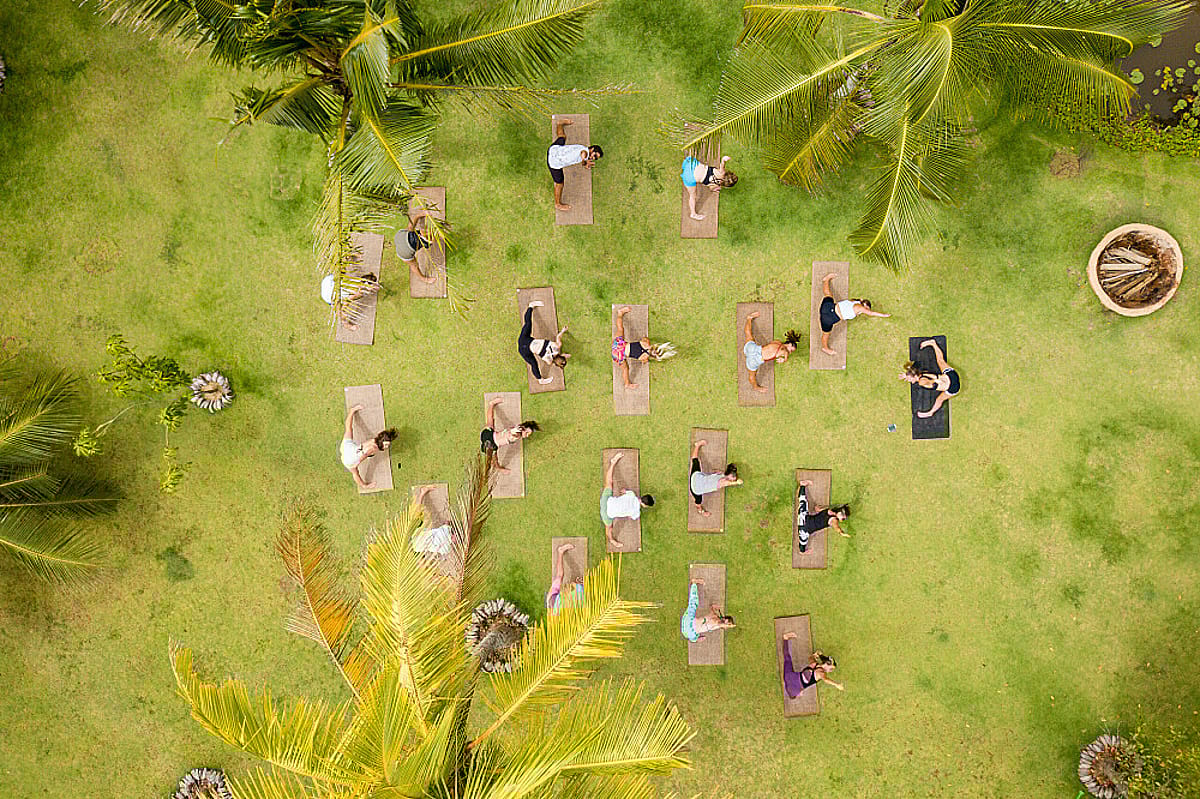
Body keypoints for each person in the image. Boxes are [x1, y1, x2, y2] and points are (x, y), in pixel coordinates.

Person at [818, 271, 890, 356]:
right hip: (829, 318)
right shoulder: (859, 307)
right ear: (864, 307)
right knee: (826, 334)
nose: (864, 311)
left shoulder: (854, 301)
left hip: (826, 306)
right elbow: (871, 313)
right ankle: (825, 348)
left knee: (828, 295)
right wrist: (884, 315)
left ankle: (826, 279)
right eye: (865, 309)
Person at [612, 305, 677, 390]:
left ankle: (620, 313)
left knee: (620, 328)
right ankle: (627, 384)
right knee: (625, 369)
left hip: (618, 345)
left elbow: (645, 339)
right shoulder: (644, 357)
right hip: (618, 356)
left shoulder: (645, 344)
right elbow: (644, 361)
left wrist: (645, 340)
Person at [600, 451, 655, 550]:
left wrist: (625, 492)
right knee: (609, 527)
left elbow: (624, 491)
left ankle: (613, 463)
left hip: (606, 500)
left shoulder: (632, 494)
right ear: (645, 506)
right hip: (606, 514)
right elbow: (630, 516)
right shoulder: (636, 513)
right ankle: (612, 540)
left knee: (609, 483)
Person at [548, 117, 603, 212]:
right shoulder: (585, 153)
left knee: (562, 137)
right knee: (560, 183)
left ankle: (559, 123)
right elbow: (583, 154)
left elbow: (582, 154)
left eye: (595, 158)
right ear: (592, 149)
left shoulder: (583, 147)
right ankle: (558, 204)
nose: (593, 158)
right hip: (554, 162)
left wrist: (584, 162)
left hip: (554, 149)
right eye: (594, 156)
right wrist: (584, 162)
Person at [339, 404, 396, 490]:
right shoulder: (372, 449)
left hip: (346, 448)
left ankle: (352, 411)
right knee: (355, 473)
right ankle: (364, 486)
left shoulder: (374, 440)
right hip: (349, 459)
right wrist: (355, 465)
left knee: (349, 430)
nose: (387, 446)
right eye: (386, 445)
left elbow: (364, 446)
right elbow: (362, 456)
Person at [743, 311, 801, 393]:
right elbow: (786, 357)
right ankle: (756, 387)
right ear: (789, 345)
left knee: (749, 335)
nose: (790, 352)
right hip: (755, 359)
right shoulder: (785, 351)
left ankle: (749, 318)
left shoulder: (777, 341)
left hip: (754, 349)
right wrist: (783, 359)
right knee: (752, 376)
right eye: (791, 350)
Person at [901, 338, 960, 418]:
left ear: (914, 376)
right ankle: (933, 343)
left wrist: (939, 381)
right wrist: (906, 375)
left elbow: (931, 382)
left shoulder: (922, 382)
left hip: (953, 387)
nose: (910, 382)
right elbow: (914, 371)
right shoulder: (920, 372)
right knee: (940, 361)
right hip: (952, 375)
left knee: (939, 399)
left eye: (910, 379)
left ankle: (930, 413)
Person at [481, 396, 539, 475]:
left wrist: (513, 430)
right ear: (523, 429)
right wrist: (513, 431)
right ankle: (498, 468)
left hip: (488, 433)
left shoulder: (518, 429)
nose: (527, 435)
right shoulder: (518, 434)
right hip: (492, 443)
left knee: (490, 421)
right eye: (527, 433)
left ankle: (491, 404)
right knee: (494, 460)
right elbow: (513, 434)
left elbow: (512, 432)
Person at [518, 300, 569, 385]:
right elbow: (554, 361)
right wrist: (561, 359)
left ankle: (530, 306)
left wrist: (563, 331)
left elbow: (558, 337)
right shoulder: (548, 361)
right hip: (524, 350)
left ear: (562, 355)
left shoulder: (557, 346)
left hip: (525, 340)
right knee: (533, 364)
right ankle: (540, 379)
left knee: (528, 323)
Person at [689, 438, 742, 518]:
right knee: (698, 502)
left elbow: (721, 473)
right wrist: (737, 482)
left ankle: (697, 445)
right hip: (696, 489)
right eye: (732, 478)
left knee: (695, 461)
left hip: (695, 476)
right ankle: (700, 511)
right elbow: (728, 483)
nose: (733, 479)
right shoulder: (722, 482)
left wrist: (717, 472)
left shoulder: (723, 474)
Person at [795, 479, 850, 553]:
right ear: (840, 513)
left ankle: (802, 485)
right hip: (804, 529)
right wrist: (841, 532)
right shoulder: (834, 520)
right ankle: (802, 551)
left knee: (803, 501)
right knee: (802, 547)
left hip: (803, 518)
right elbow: (836, 526)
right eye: (843, 518)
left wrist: (820, 508)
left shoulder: (830, 511)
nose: (842, 520)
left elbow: (817, 509)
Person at [681, 154, 738, 221]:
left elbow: (722, 163)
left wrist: (724, 159)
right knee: (692, 195)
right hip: (689, 176)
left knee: (697, 165)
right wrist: (716, 188)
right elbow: (711, 188)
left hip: (691, 164)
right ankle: (693, 214)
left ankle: (693, 214)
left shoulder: (721, 173)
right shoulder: (715, 185)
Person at [680, 575, 736, 642]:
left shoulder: (715, 616)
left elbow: (712, 608)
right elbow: (721, 624)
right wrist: (730, 625)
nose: (726, 628)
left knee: (693, 604)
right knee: (694, 638)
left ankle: (694, 584)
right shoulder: (717, 623)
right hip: (687, 632)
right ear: (725, 621)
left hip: (686, 619)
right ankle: (694, 582)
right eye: (727, 625)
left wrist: (713, 607)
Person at [395, 208, 437, 285]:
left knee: (410, 228)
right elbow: (432, 240)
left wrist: (421, 214)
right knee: (413, 264)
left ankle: (419, 215)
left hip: (400, 236)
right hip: (404, 251)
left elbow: (411, 226)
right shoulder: (427, 242)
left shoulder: (410, 232)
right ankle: (423, 279)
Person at [411, 485, 453, 557]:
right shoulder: (447, 549)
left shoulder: (446, 539)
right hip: (417, 542)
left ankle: (422, 493)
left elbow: (447, 522)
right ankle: (422, 493)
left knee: (416, 513)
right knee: (417, 514)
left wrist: (448, 524)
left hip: (417, 536)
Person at [546, 542, 583, 614]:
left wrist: (575, 583)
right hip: (558, 602)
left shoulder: (564, 602)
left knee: (560, 575)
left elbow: (569, 588)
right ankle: (578, 582)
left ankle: (560, 551)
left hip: (552, 596)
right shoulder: (573, 603)